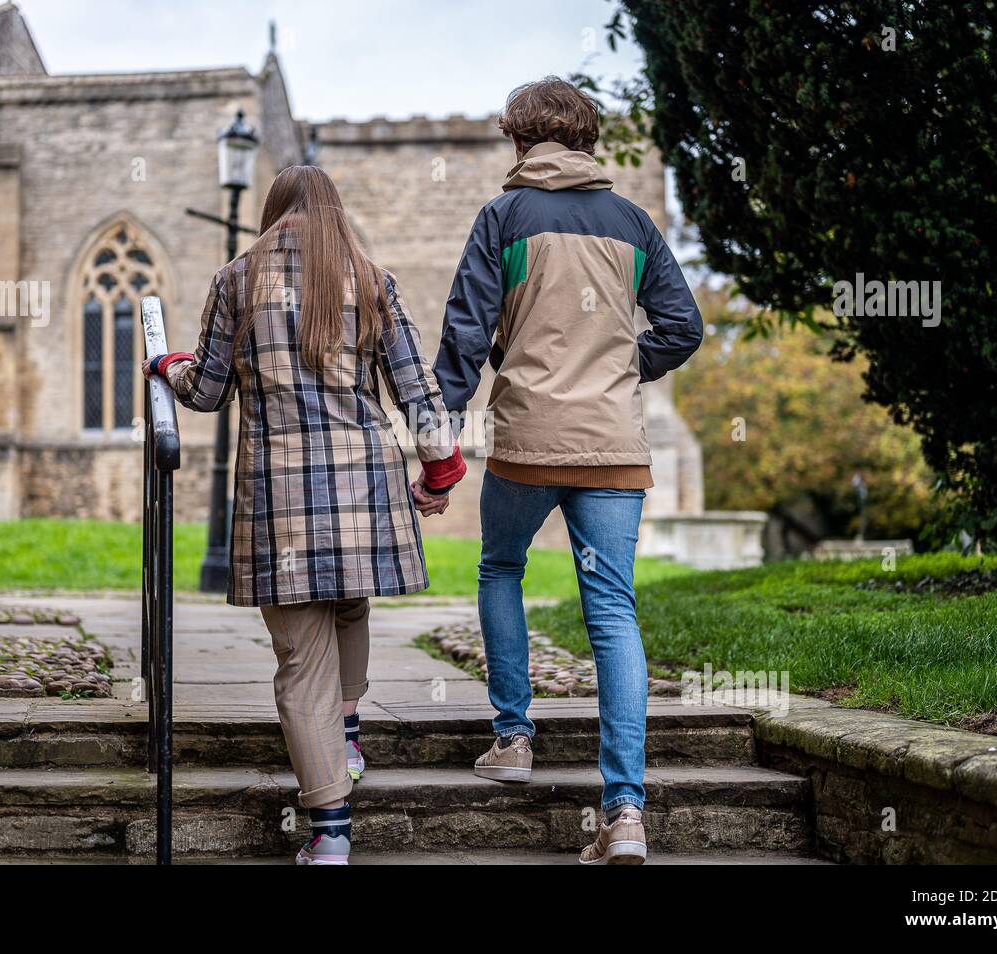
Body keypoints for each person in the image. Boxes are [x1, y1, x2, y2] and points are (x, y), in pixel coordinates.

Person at [144, 165, 465, 865]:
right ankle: (346, 737)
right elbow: (416, 387)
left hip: (281, 493)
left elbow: (205, 390)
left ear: (274, 209)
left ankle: (330, 836)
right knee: (349, 602)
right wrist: (440, 468)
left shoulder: (237, 278)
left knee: (300, 660)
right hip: (366, 481)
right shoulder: (370, 277)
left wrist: (165, 364)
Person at [422, 76, 703, 865]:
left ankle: (513, 739)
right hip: (614, 444)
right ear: (588, 140)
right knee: (612, 611)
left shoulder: (502, 217)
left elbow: (465, 340)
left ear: (519, 140)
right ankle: (624, 814)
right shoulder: (633, 221)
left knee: (500, 566)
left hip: (527, 441)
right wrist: (619, 367)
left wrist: (435, 446)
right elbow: (685, 327)